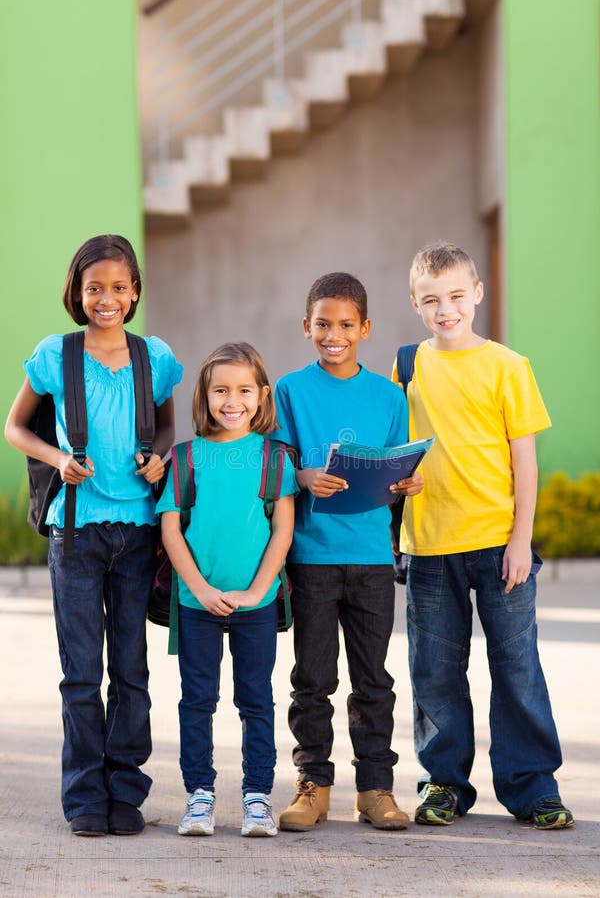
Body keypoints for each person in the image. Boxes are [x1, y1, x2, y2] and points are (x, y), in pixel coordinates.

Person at [4, 234, 183, 836]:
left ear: (134, 292)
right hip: (75, 533)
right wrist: (59, 459)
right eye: (94, 288)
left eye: (118, 287)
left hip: (137, 533)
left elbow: (166, 429)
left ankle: (126, 791)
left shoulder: (154, 357)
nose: (107, 299)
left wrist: (158, 459)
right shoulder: (55, 355)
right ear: (77, 293)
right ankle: (84, 795)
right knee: (81, 672)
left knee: (130, 669)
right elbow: (15, 427)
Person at [393, 241, 573, 830]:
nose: (444, 309)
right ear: (415, 303)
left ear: (476, 293)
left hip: (499, 544)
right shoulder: (407, 366)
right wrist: (400, 483)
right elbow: (400, 449)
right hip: (428, 545)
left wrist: (522, 539)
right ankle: (443, 783)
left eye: (454, 296)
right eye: (430, 300)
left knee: (517, 669)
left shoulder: (508, 366)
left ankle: (533, 788)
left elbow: (526, 460)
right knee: (435, 672)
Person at [274, 272, 423, 832]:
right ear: (306, 327)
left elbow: (396, 468)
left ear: (366, 328)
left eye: (345, 325)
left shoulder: (388, 396)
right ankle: (312, 785)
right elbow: (276, 464)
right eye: (322, 324)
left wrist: (407, 483)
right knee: (312, 680)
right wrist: (303, 475)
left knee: (373, 681)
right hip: (311, 556)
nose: (333, 335)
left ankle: (375, 788)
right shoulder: (290, 390)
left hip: (372, 558)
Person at [158, 342, 297, 838]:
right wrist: (199, 588)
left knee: (256, 699)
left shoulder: (274, 457)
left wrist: (257, 591)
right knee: (197, 700)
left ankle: (257, 797)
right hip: (197, 602)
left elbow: (282, 529)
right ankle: (199, 795)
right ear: (205, 394)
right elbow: (171, 530)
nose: (232, 400)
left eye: (243, 390)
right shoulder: (185, 458)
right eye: (220, 390)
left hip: (255, 604)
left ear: (261, 396)